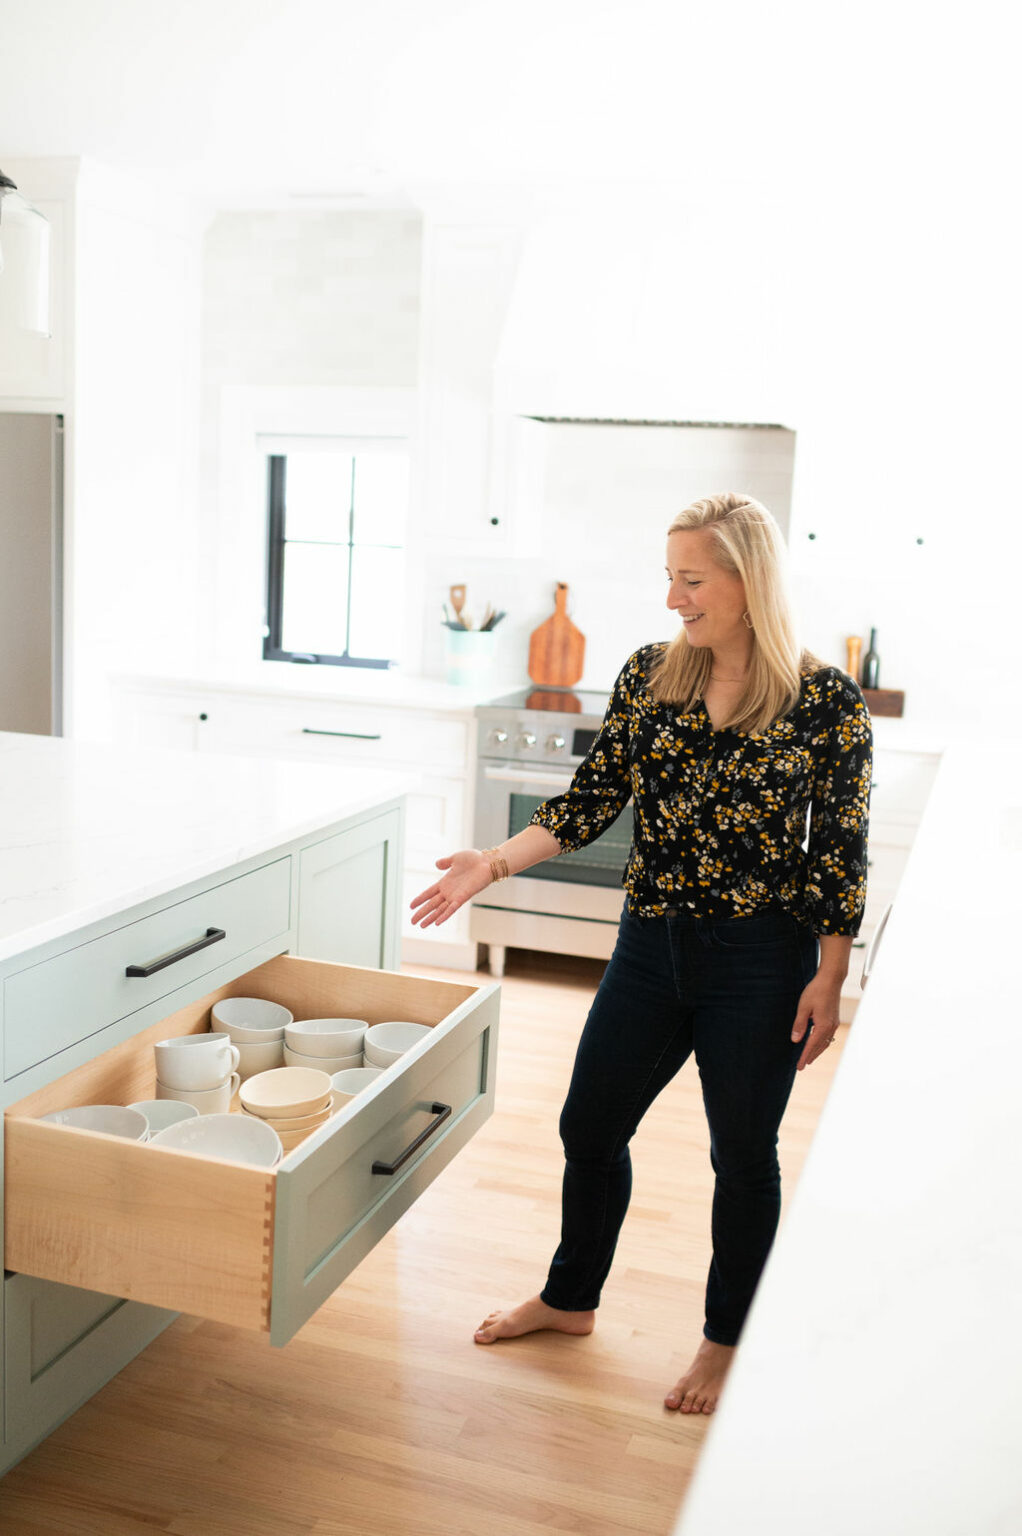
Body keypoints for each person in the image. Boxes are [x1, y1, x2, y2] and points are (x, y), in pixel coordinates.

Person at [410, 492, 872, 1416]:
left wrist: (830, 973)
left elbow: (840, 852)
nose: (674, 599)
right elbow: (590, 802)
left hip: (761, 962)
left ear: (749, 582)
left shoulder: (825, 702)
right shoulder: (649, 675)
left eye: (692, 580)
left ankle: (723, 1342)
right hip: (650, 946)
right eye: (669, 577)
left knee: (743, 1156)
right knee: (589, 1125)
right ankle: (571, 1298)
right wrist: (490, 863)